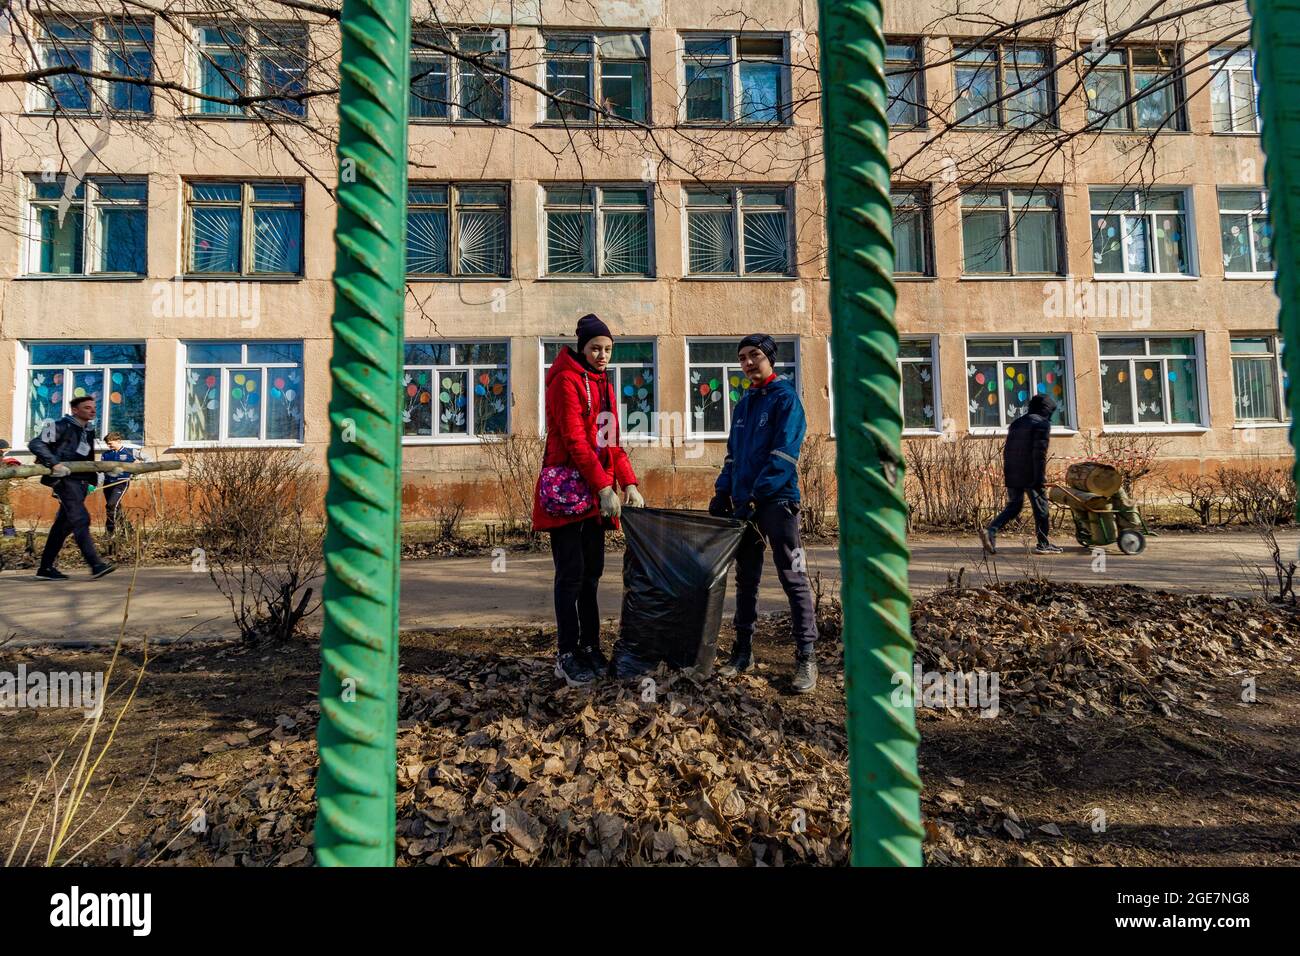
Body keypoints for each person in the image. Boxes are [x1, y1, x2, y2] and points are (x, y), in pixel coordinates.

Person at [534, 314, 644, 687]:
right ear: (581, 347)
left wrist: (628, 481)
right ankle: (567, 655)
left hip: (597, 495)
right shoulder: (565, 381)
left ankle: (591, 647)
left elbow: (611, 441)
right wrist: (602, 486)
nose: (602, 355)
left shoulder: (605, 385)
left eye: (608, 349)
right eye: (596, 348)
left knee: (592, 575)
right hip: (568, 492)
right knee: (571, 575)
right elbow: (576, 440)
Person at [709, 334, 819, 694]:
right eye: (741, 357)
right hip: (745, 506)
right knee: (746, 580)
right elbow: (733, 456)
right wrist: (723, 490)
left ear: (769, 358)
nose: (747, 363)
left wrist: (759, 494)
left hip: (778, 504)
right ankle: (743, 651)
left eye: (754, 355)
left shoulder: (786, 400)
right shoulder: (743, 406)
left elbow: (785, 454)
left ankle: (806, 655)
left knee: (793, 575)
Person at [27, 395, 115, 580]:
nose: (92, 410)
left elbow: (86, 457)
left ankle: (45, 569)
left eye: (93, 407)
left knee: (63, 526)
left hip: (81, 482)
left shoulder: (87, 430)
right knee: (81, 518)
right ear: (75, 410)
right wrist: (55, 464)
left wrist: (93, 478)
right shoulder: (59, 425)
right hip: (65, 481)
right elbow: (36, 443)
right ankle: (95, 564)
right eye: (87, 407)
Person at [979, 393, 1063, 556]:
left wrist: (1009, 473)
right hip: (1030, 474)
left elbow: (1008, 451)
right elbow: (1039, 454)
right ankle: (1043, 544)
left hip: (1013, 472)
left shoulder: (1017, 423)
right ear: (1046, 410)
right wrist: (1039, 478)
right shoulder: (1042, 424)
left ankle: (991, 530)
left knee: (1014, 506)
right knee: (1042, 509)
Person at [100, 431, 146, 537]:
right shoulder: (105, 455)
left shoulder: (131, 452)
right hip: (107, 484)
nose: (109, 446)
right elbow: (102, 472)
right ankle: (128, 530)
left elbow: (149, 460)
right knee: (115, 507)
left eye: (110, 443)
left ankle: (110, 532)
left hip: (121, 482)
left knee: (111, 505)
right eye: (107, 444)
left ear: (118, 441)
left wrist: (137, 471)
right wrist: (96, 484)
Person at [0, 439, 19, 538]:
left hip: (2, 492)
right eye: (5, 450)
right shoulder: (5, 461)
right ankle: (9, 535)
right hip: (2, 492)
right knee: (7, 510)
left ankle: (9, 535)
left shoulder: (6, 461)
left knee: (7, 511)